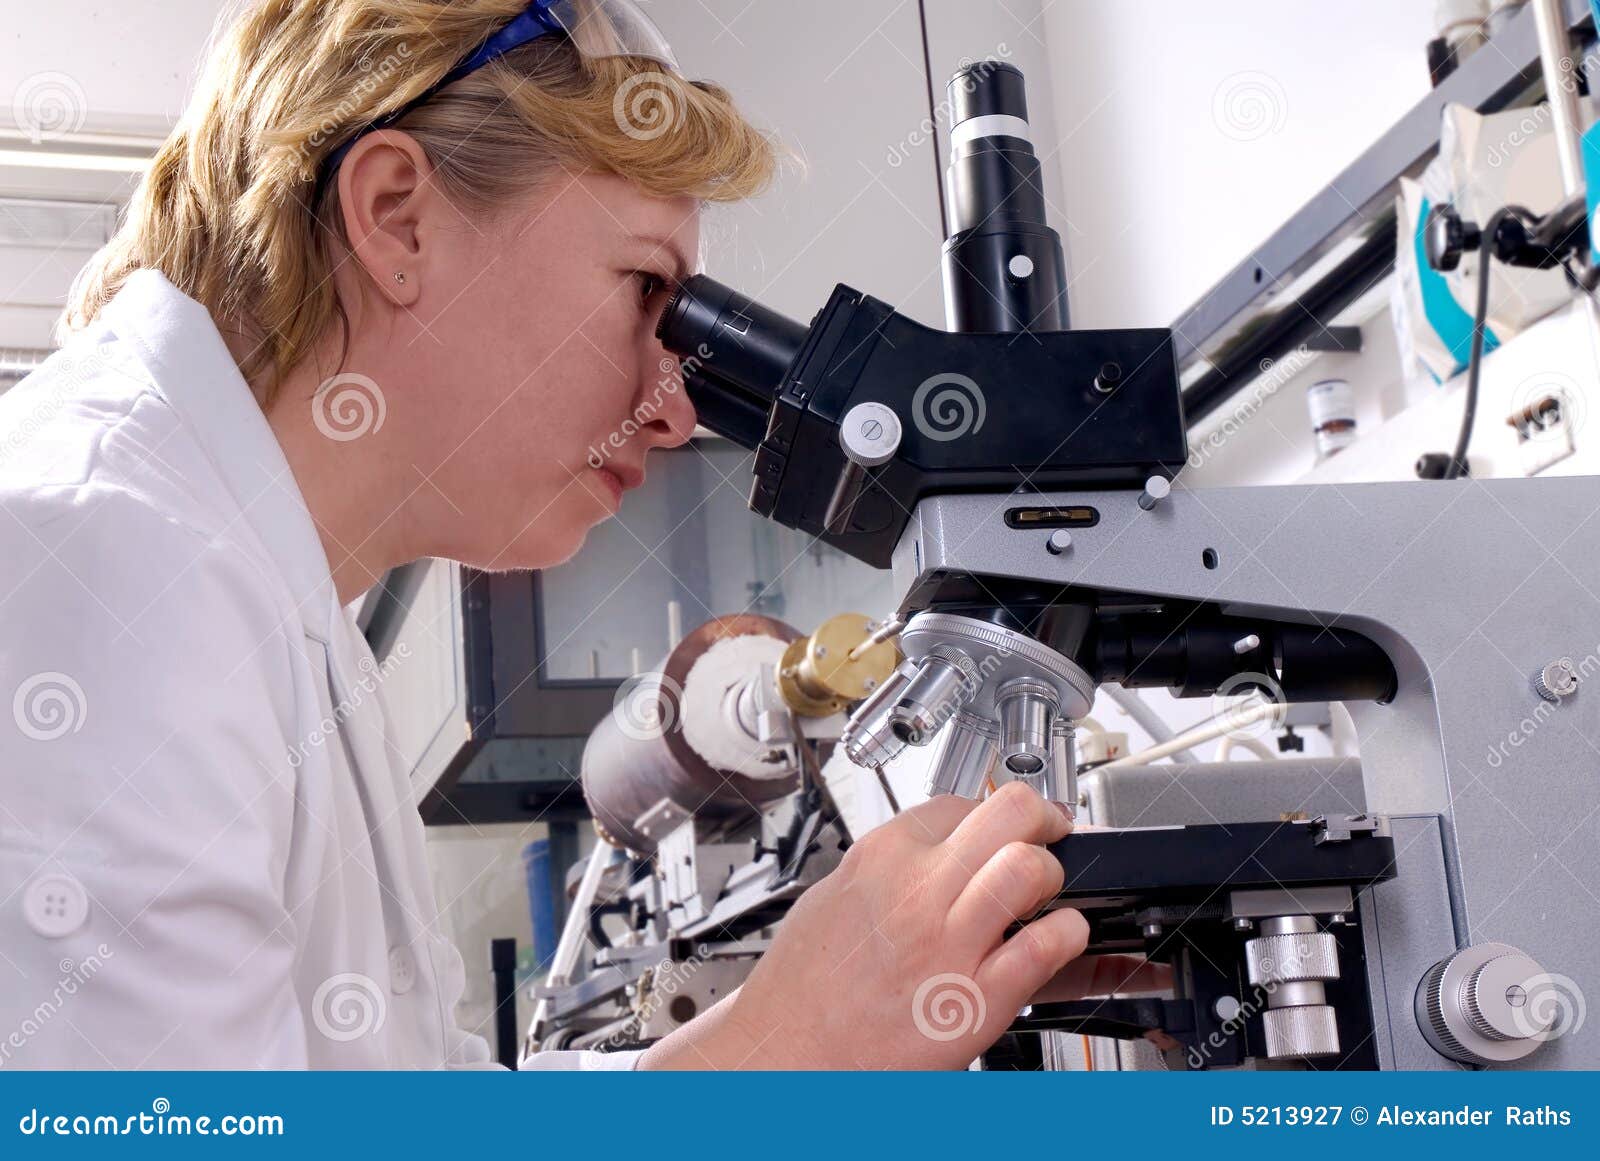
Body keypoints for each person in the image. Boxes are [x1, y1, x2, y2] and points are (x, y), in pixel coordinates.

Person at [0, 0, 1157, 1070]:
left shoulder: (261, 596)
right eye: (646, 292)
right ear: (397, 216)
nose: (674, 404)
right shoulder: (102, 570)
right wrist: (791, 1053)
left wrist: (801, 1026)